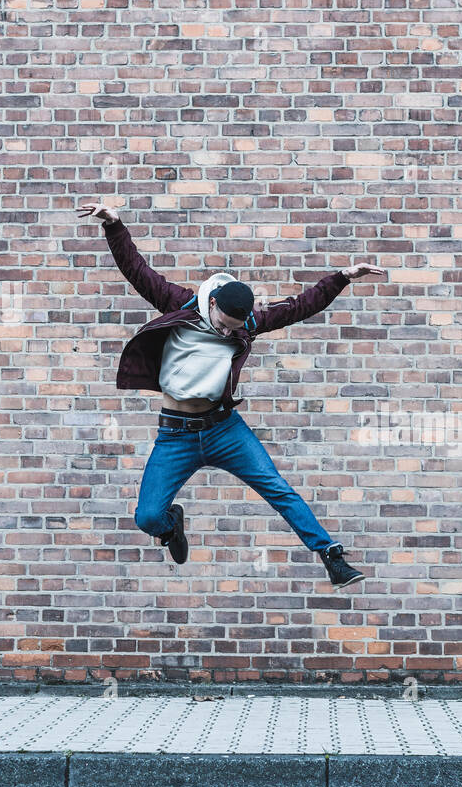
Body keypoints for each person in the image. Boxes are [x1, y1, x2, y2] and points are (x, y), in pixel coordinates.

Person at [77, 201, 386, 588]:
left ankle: (331, 555)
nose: (228, 334)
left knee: (278, 489)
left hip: (225, 430)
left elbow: (299, 307)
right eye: (223, 325)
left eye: (235, 328)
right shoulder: (180, 304)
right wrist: (115, 226)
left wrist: (342, 277)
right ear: (211, 304)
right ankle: (172, 523)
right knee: (147, 519)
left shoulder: (247, 323)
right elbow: (137, 271)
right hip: (176, 435)